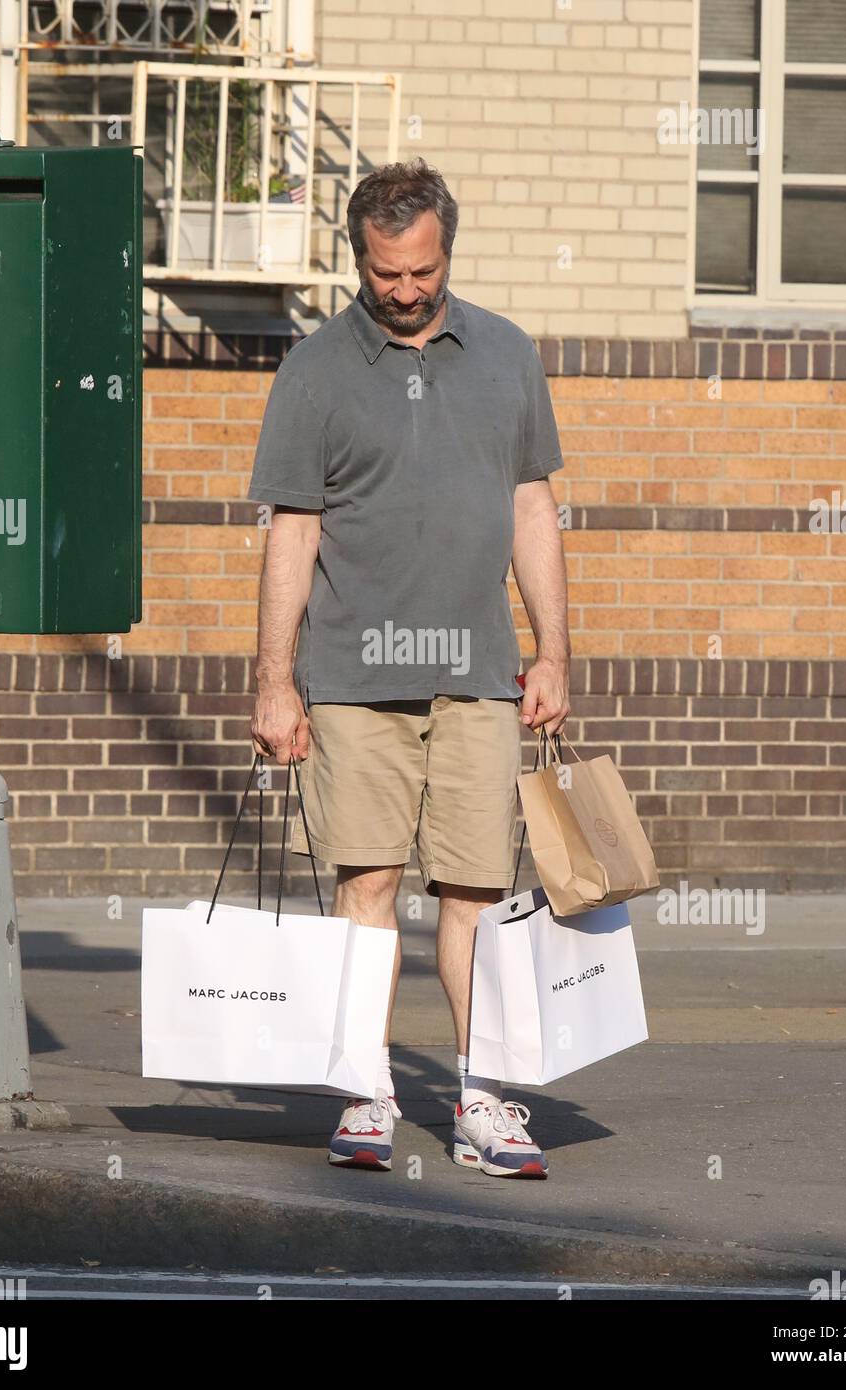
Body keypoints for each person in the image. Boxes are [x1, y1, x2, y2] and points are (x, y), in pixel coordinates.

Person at [247, 157, 569, 1178]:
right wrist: (274, 679)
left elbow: (532, 510)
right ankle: (367, 1094)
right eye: (386, 272)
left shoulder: (509, 356)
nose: (404, 290)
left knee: (476, 890)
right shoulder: (315, 371)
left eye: (421, 270)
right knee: (370, 882)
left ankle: (483, 1098)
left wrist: (555, 651)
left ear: (446, 253)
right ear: (359, 256)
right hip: (351, 680)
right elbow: (291, 531)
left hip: (479, 673)